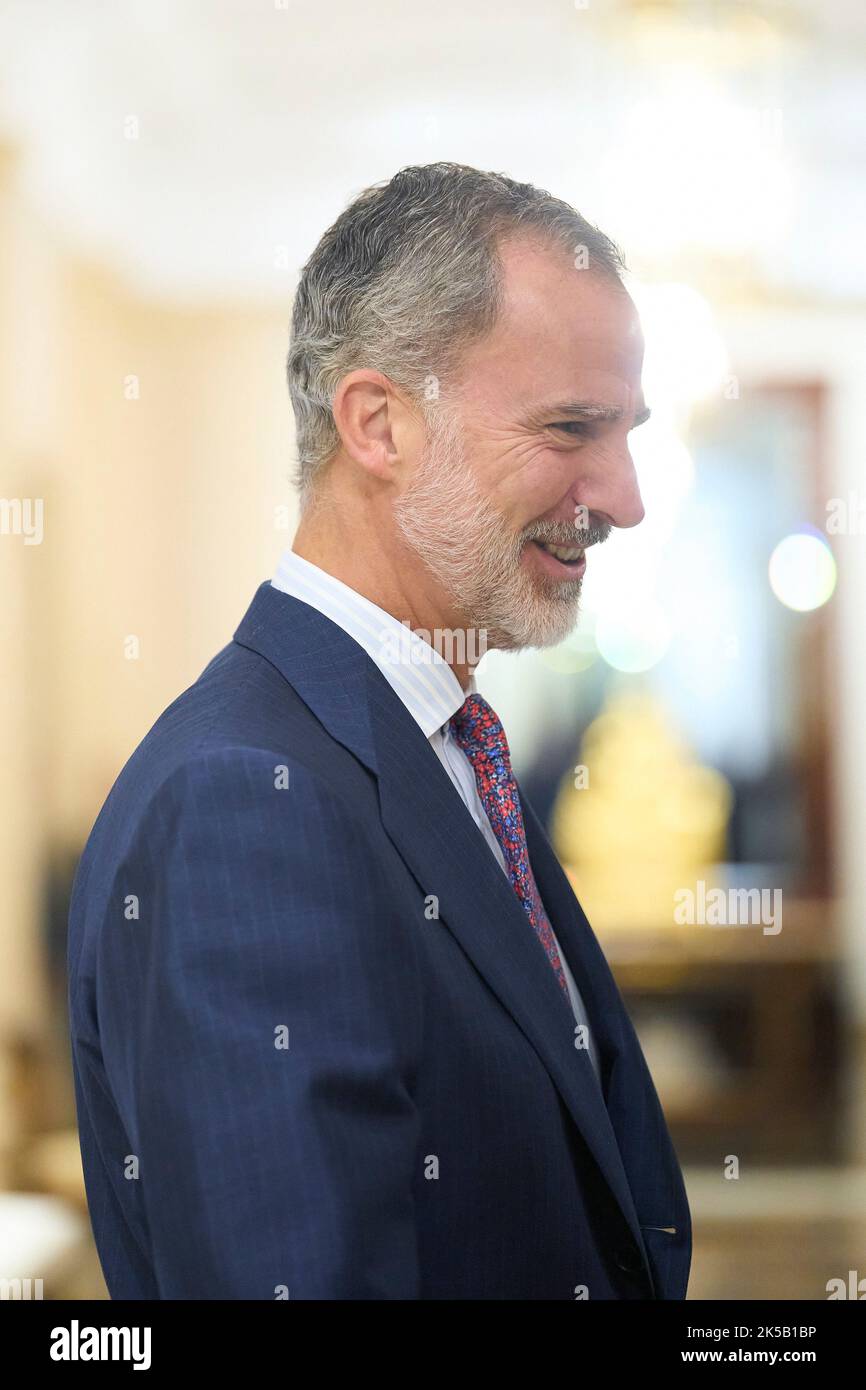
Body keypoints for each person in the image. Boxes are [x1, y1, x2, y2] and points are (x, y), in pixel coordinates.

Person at [68, 162, 691, 1300]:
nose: (624, 493)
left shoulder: (436, 741)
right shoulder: (243, 801)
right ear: (379, 423)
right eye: (570, 428)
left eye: (627, 432)